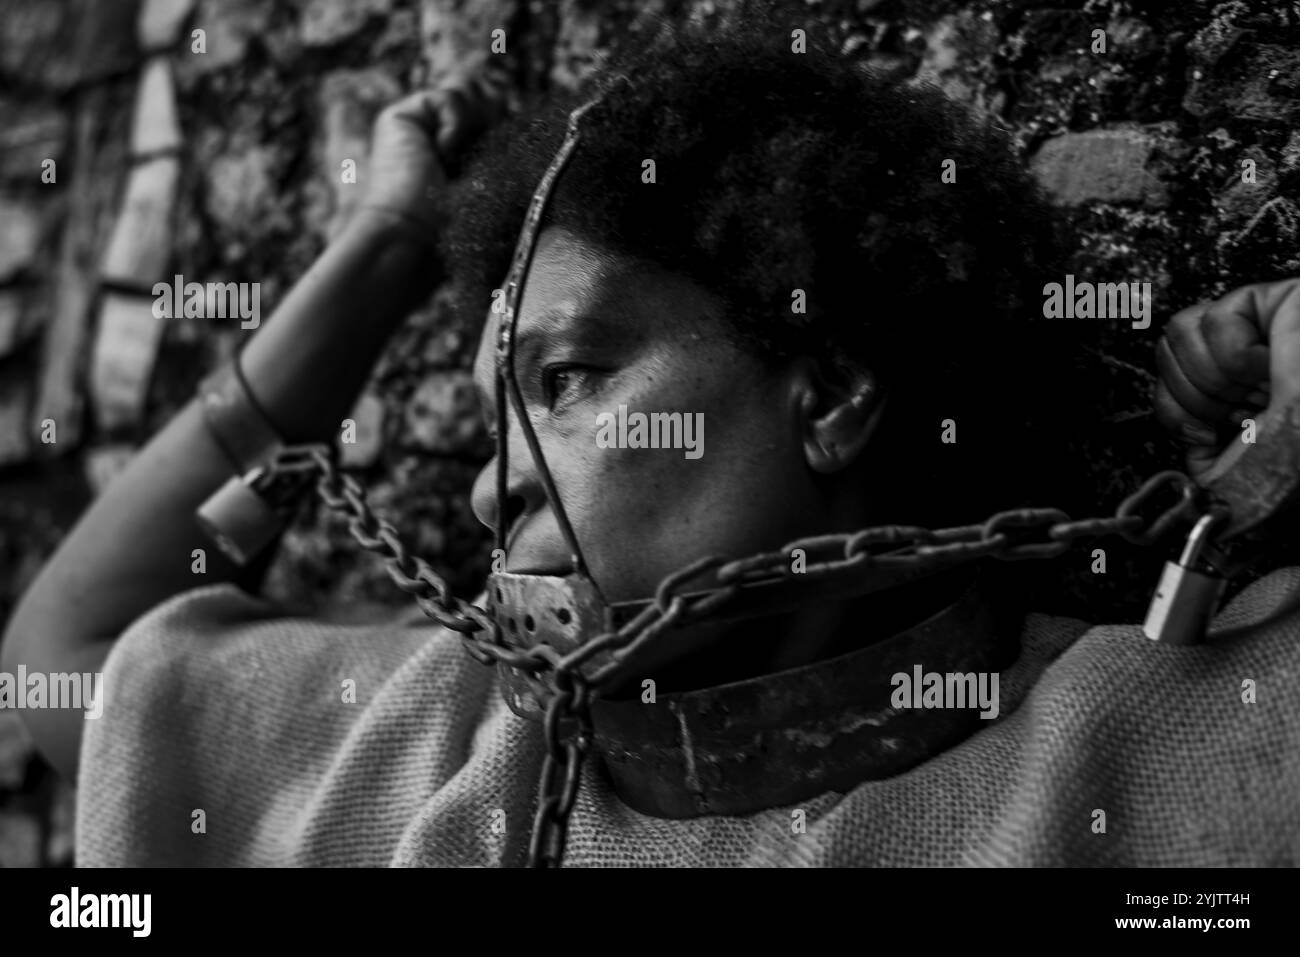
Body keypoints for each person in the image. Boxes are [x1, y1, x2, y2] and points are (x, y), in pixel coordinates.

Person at [4, 15, 1299, 867]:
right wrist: (377, 254)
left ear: (832, 392)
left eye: (565, 379)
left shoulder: (1159, 739)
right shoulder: (441, 748)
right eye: (488, 416)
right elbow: (56, 664)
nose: (489, 489)